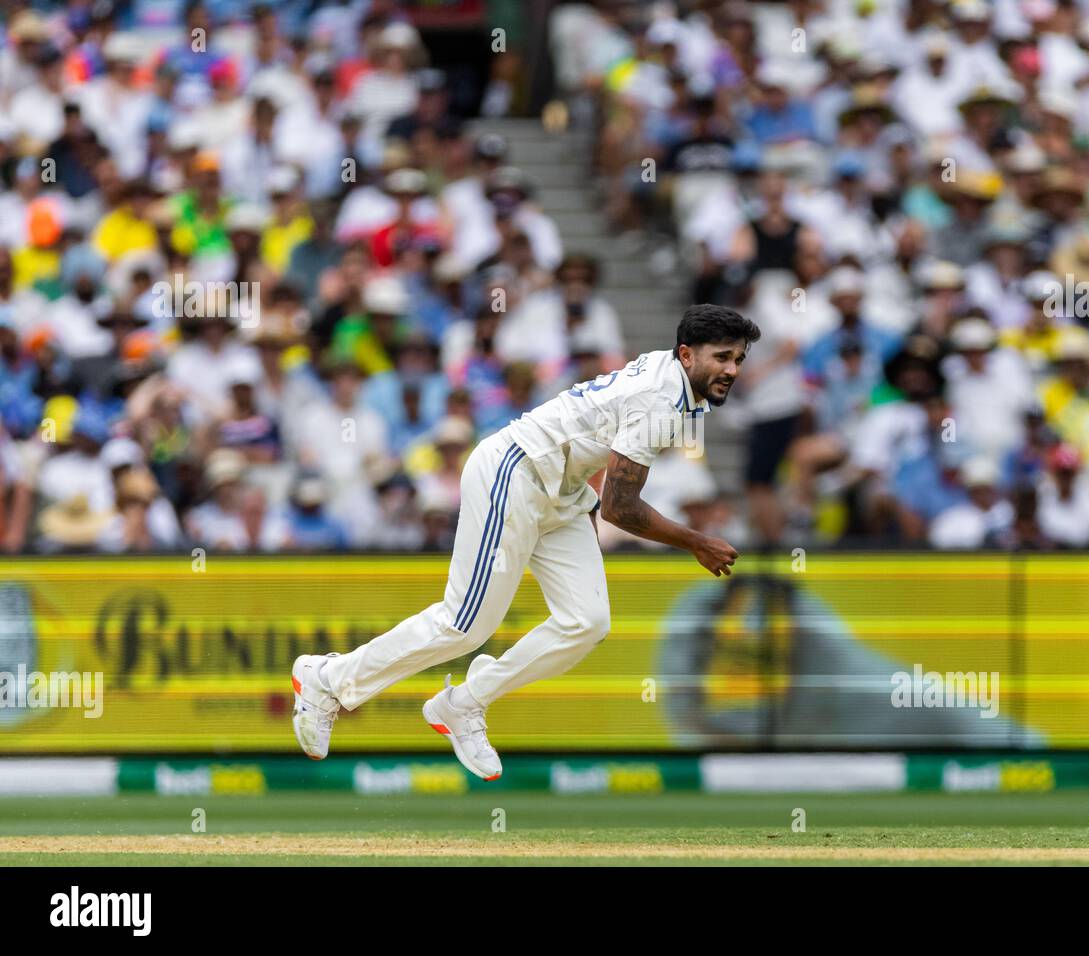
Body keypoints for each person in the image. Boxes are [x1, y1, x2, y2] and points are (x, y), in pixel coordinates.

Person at [289, 304, 759, 778]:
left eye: (738, 359)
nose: (731, 370)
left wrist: (588, 507)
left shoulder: (676, 384)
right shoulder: (662, 397)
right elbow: (622, 506)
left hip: (564, 489)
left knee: (586, 621)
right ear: (685, 354)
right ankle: (326, 680)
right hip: (514, 472)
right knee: (464, 625)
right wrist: (696, 541)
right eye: (722, 357)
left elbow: (599, 446)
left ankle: (464, 704)